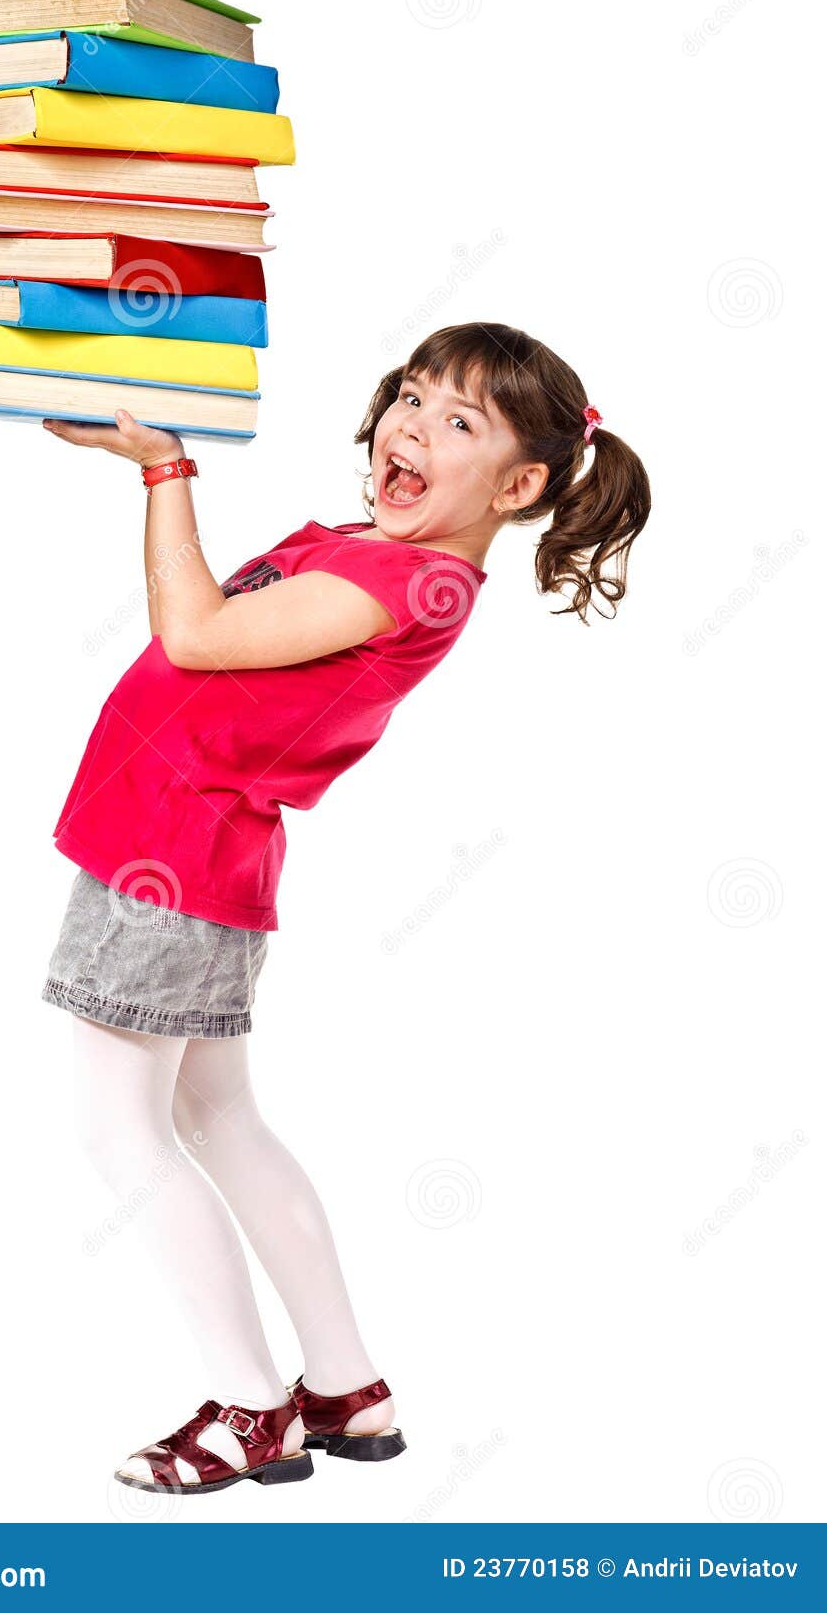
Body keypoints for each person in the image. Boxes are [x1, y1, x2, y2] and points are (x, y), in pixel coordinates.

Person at [39, 322, 652, 1494]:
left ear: (519, 485)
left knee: (121, 1128)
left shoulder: (409, 578)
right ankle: (346, 1385)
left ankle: (250, 1407)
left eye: (458, 421)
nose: (410, 426)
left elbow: (200, 631)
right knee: (222, 1120)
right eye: (410, 397)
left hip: (170, 860)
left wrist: (165, 471)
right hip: (184, 855)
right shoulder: (366, 545)